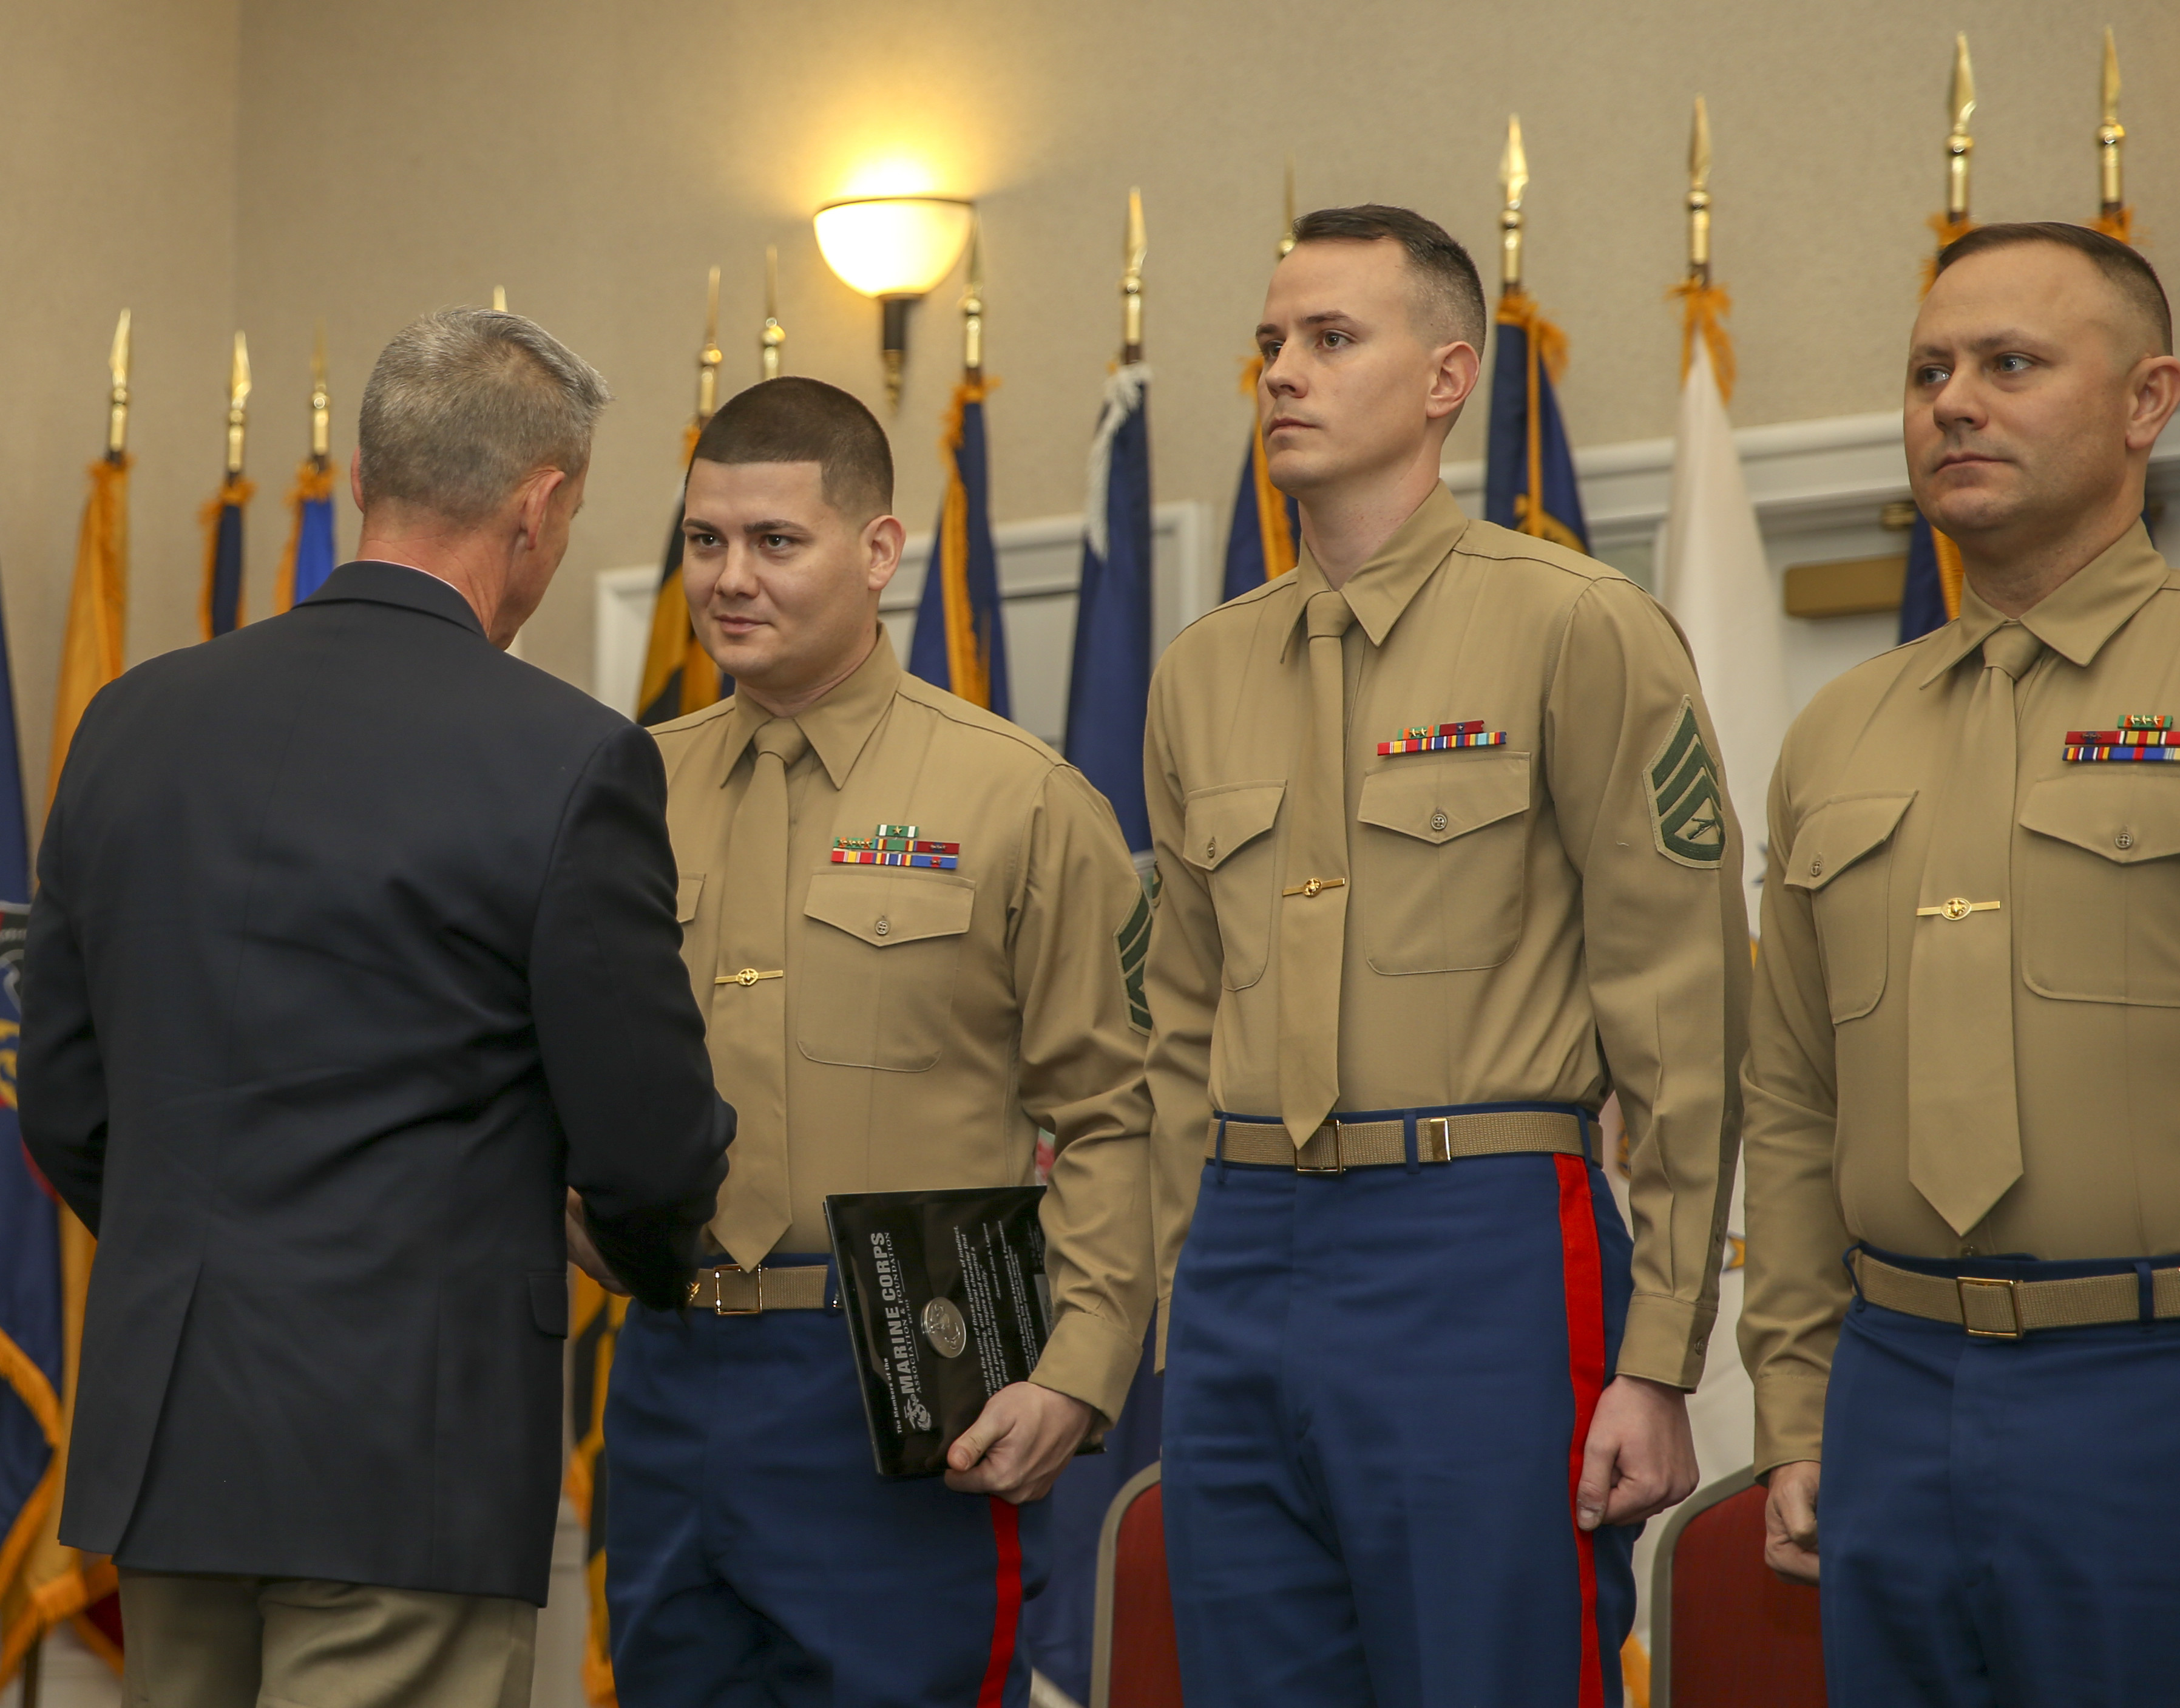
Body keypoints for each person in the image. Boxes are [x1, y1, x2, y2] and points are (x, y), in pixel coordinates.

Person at [20, 307, 734, 1708]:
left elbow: (62, 1095)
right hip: (407, 1456)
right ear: (537, 508)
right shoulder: (566, 760)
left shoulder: (131, 722)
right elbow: (646, 1146)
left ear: (365, 479)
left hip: (175, 1449)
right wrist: (655, 1260)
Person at [1141, 205, 1749, 1708]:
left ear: (1445, 378)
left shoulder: (1575, 626)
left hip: (1475, 1245)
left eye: (1330, 338)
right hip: (1237, 1254)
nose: (1281, 369)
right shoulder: (1202, 668)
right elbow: (1171, 1027)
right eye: (1270, 341)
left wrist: (1660, 1351)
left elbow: (1680, 1012)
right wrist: (1165, 1288)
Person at [598, 376, 1154, 1708]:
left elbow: (1114, 1113)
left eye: (775, 541)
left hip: (908, 1374)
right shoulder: (625, 793)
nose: (731, 578)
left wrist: (1078, 1369)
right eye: (704, 541)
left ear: (879, 552)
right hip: (672, 1371)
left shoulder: (1017, 797)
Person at [1742, 223, 2180, 1700]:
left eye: (2008, 364)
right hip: (1895, 1386)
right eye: (1927, 371)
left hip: (2148, 1383)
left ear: (2144, 402)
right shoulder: (1836, 736)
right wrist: (1795, 1403)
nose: (1952, 402)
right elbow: (1794, 1101)